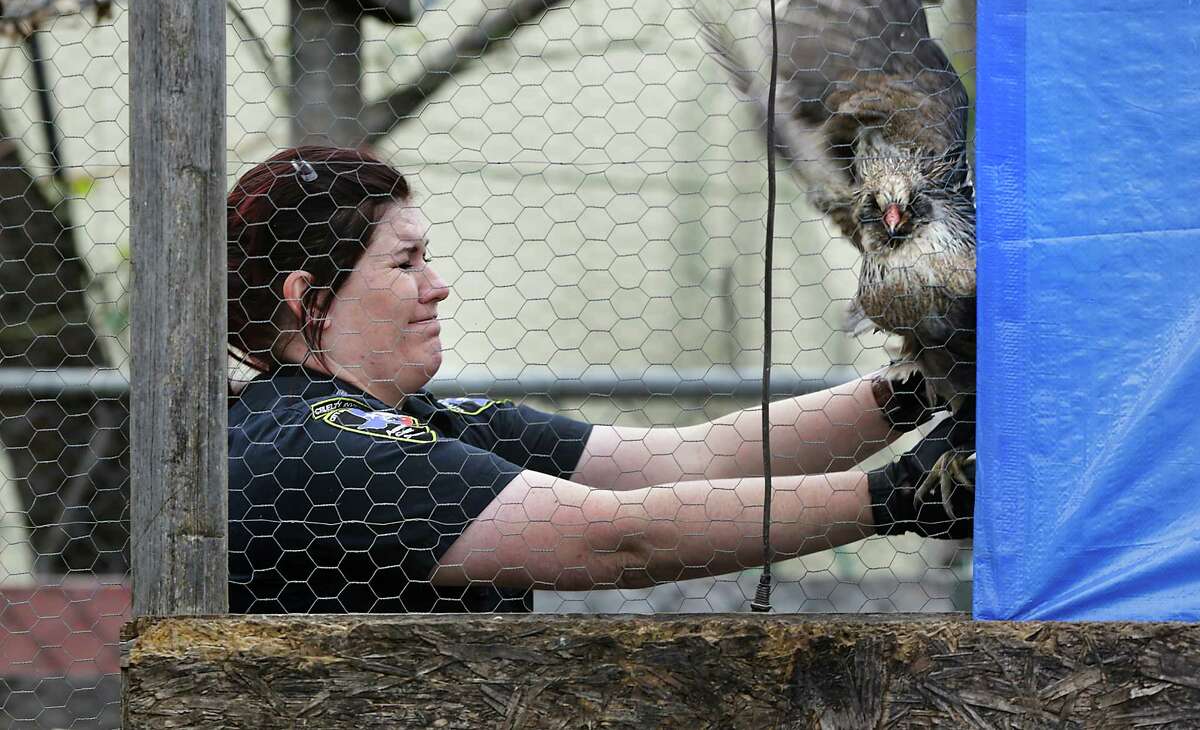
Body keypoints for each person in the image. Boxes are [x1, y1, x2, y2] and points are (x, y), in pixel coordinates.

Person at [227, 145, 973, 615]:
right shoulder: (312, 446)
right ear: (309, 299)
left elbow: (689, 460)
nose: (438, 285)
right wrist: (904, 496)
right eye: (405, 262)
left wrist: (918, 387)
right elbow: (617, 541)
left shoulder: (433, 421)